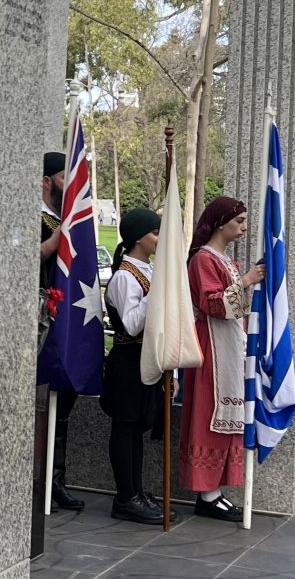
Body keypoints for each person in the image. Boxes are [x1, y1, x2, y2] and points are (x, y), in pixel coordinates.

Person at [179, 196, 264, 520]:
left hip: (227, 347)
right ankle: (207, 492)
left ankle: (215, 490)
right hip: (210, 350)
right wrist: (245, 282)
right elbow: (213, 303)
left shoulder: (225, 261)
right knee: (208, 415)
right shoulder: (203, 260)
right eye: (239, 221)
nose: (243, 227)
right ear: (220, 222)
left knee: (225, 418)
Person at [101, 207, 166, 525]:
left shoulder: (150, 271)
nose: (160, 238)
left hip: (148, 359)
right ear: (140, 238)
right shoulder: (125, 277)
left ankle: (136, 491)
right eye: (156, 232)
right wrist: (157, 294)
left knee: (136, 429)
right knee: (125, 428)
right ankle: (125, 497)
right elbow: (131, 323)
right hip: (128, 360)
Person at [38, 151, 83, 511]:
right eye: (63, 178)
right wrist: (57, 241)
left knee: (62, 403)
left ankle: (56, 479)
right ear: (46, 182)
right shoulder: (37, 218)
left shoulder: (68, 220)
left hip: (63, 319)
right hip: (38, 318)